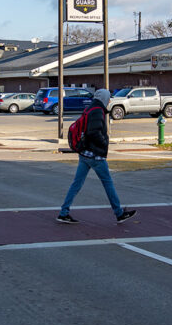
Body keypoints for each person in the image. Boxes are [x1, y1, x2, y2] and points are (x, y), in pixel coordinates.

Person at [57, 88, 137, 224]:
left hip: (84, 153)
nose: (109, 100)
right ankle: (119, 213)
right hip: (94, 155)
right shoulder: (97, 111)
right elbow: (94, 132)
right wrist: (104, 143)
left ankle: (64, 212)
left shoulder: (90, 108)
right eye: (108, 98)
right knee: (108, 183)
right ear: (104, 98)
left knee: (77, 184)